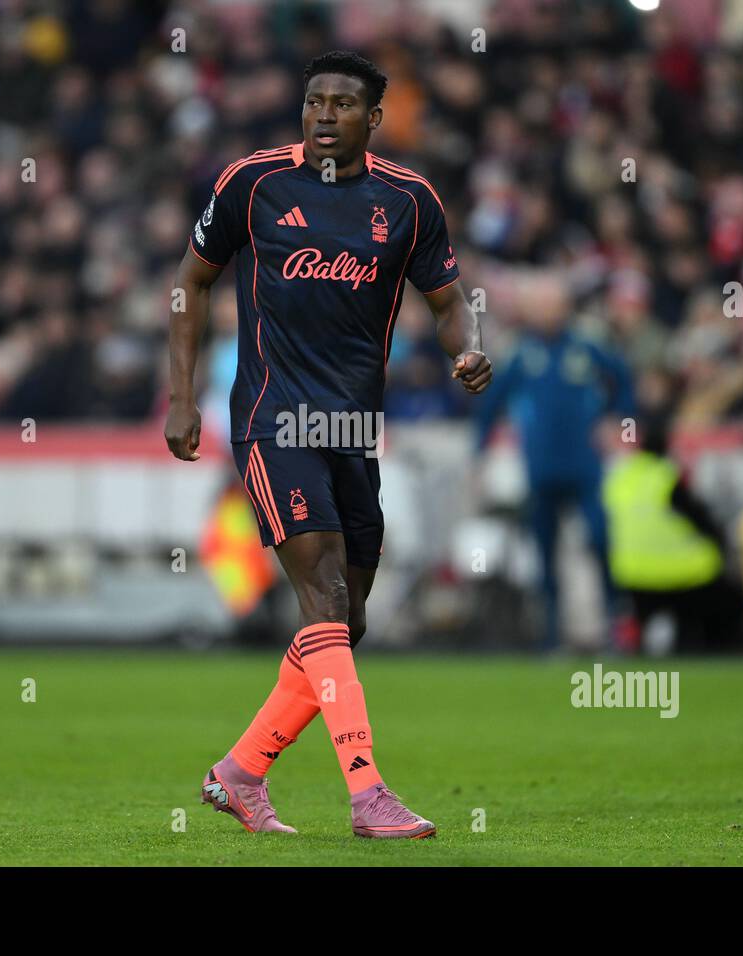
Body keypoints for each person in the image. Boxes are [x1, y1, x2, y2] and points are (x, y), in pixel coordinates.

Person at [163, 51, 490, 838]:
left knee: (347, 626)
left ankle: (240, 773)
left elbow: (448, 299)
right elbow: (191, 283)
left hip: (352, 428)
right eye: (315, 101)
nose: (323, 115)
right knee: (328, 603)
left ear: (373, 118)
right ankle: (369, 795)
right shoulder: (253, 183)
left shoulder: (406, 200)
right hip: (274, 419)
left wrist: (466, 346)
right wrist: (181, 397)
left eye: (343, 104)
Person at [474, 272, 633, 650]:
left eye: (553, 303)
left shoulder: (587, 345)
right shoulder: (518, 352)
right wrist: (478, 457)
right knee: (544, 552)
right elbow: (487, 405)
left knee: (599, 538)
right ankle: (551, 636)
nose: (547, 311)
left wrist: (617, 421)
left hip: (585, 466)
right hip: (540, 469)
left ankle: (615, 625)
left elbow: (624, 383)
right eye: (540, 304)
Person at [602, 418, 743, 653]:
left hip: (631, 575)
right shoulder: (667, 477)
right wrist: (724, 543)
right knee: (731, 602)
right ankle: (709, 646)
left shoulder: (620, 477)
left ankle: (639, 639)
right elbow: (703, 522)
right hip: (682, 575)